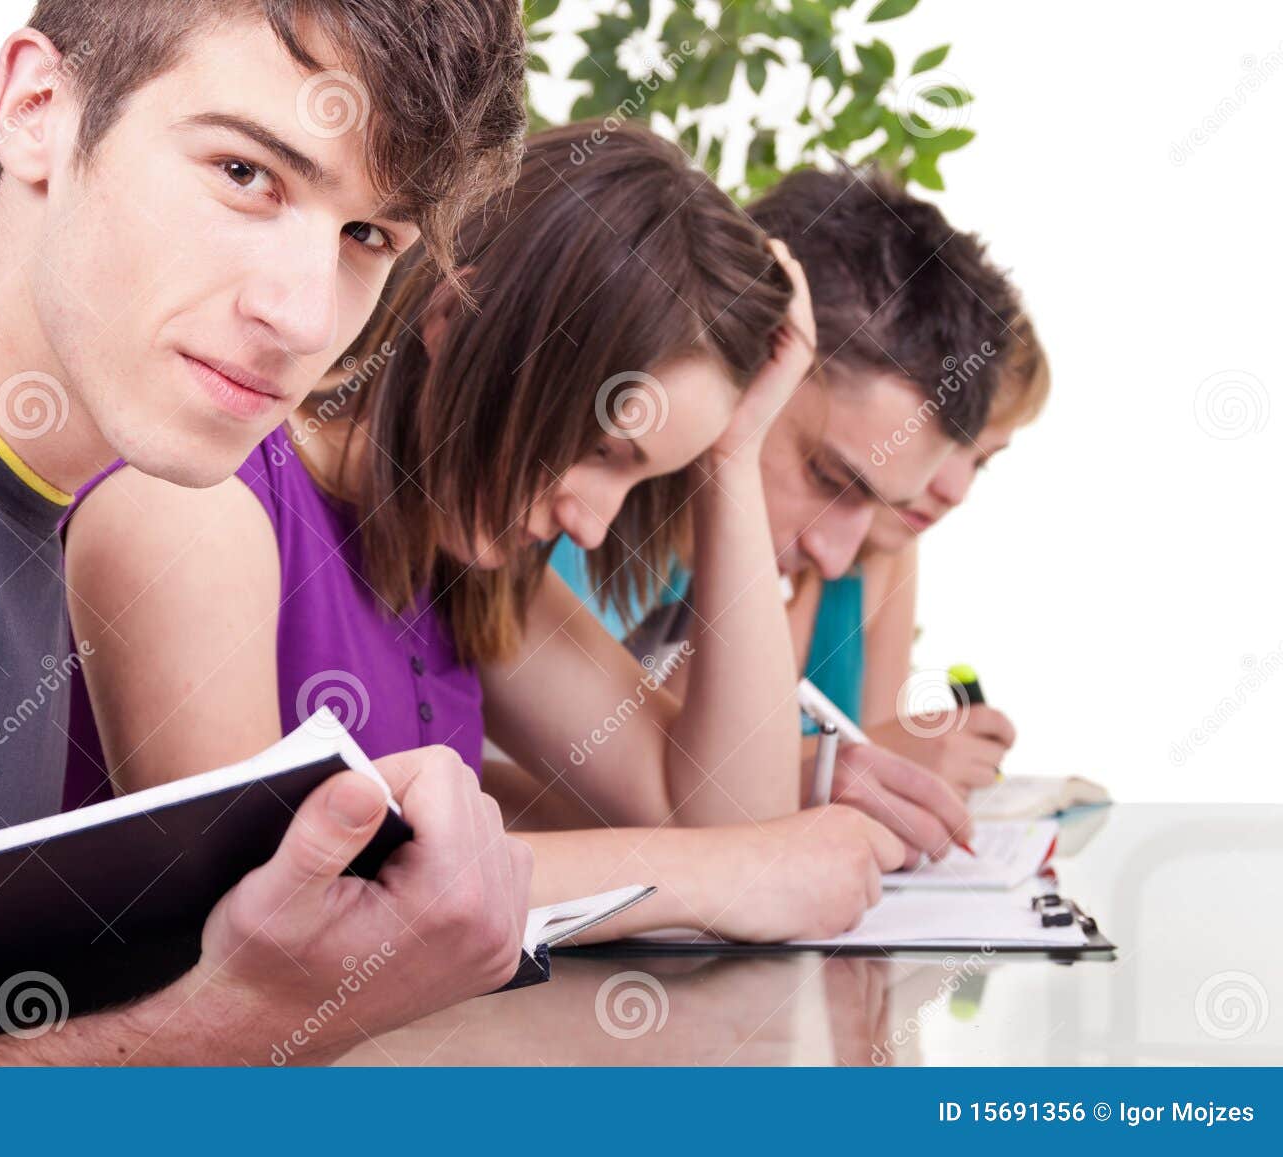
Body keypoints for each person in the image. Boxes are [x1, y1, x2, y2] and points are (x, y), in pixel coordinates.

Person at [0, 0, 537, 1066]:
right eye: (244, 174)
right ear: (37, 107)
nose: (306, 317)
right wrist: (223, 1029)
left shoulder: (35, 500)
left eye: (368, 237)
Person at [66, 123, 910, 946]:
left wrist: (733, 455)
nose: (591, 520)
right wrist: (707, 879)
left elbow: (733, 814)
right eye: (601, 452)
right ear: (456, 318)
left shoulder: (456, 549)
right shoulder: (193, 505)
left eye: (641, 476)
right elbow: (268, 912)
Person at [547, 166, 1025, 856]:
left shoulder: (703, 550)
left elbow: (726, 814)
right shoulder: (552, 512)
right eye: (830, 475)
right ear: (752, 350)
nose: (838, 556)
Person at [846, 313, 1052, 794]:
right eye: (949, 440)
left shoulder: (890, 552)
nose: (955, 490)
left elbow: (880, 773)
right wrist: (880, 755)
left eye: (981, 461)